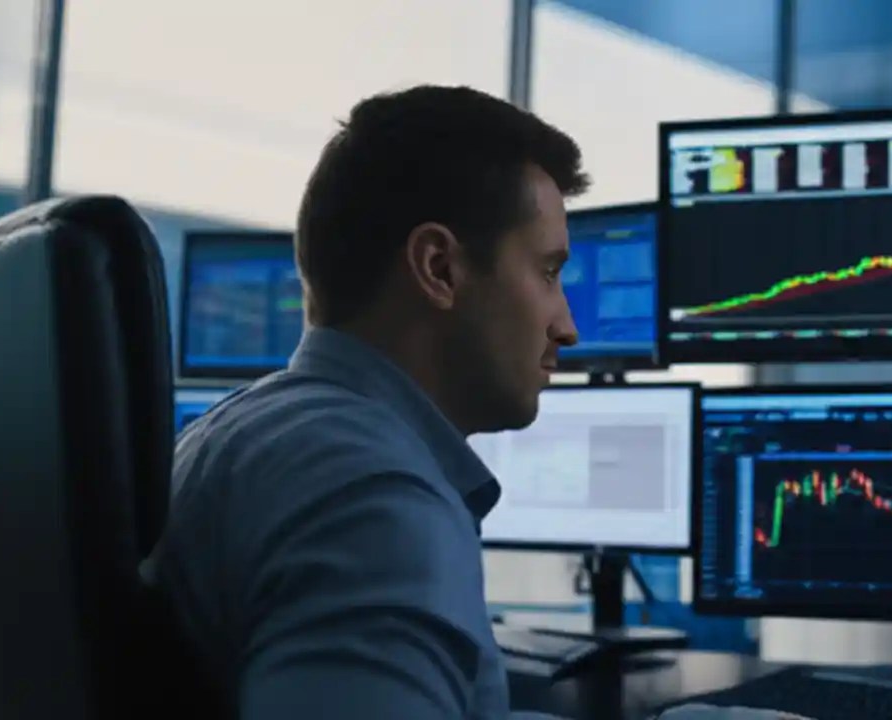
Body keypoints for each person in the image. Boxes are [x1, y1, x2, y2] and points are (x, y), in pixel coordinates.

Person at [146, 85, 588, 719]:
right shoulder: (373, 500)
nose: (567, 325)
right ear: (439, 269)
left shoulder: (251, 432)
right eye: (548, 272)